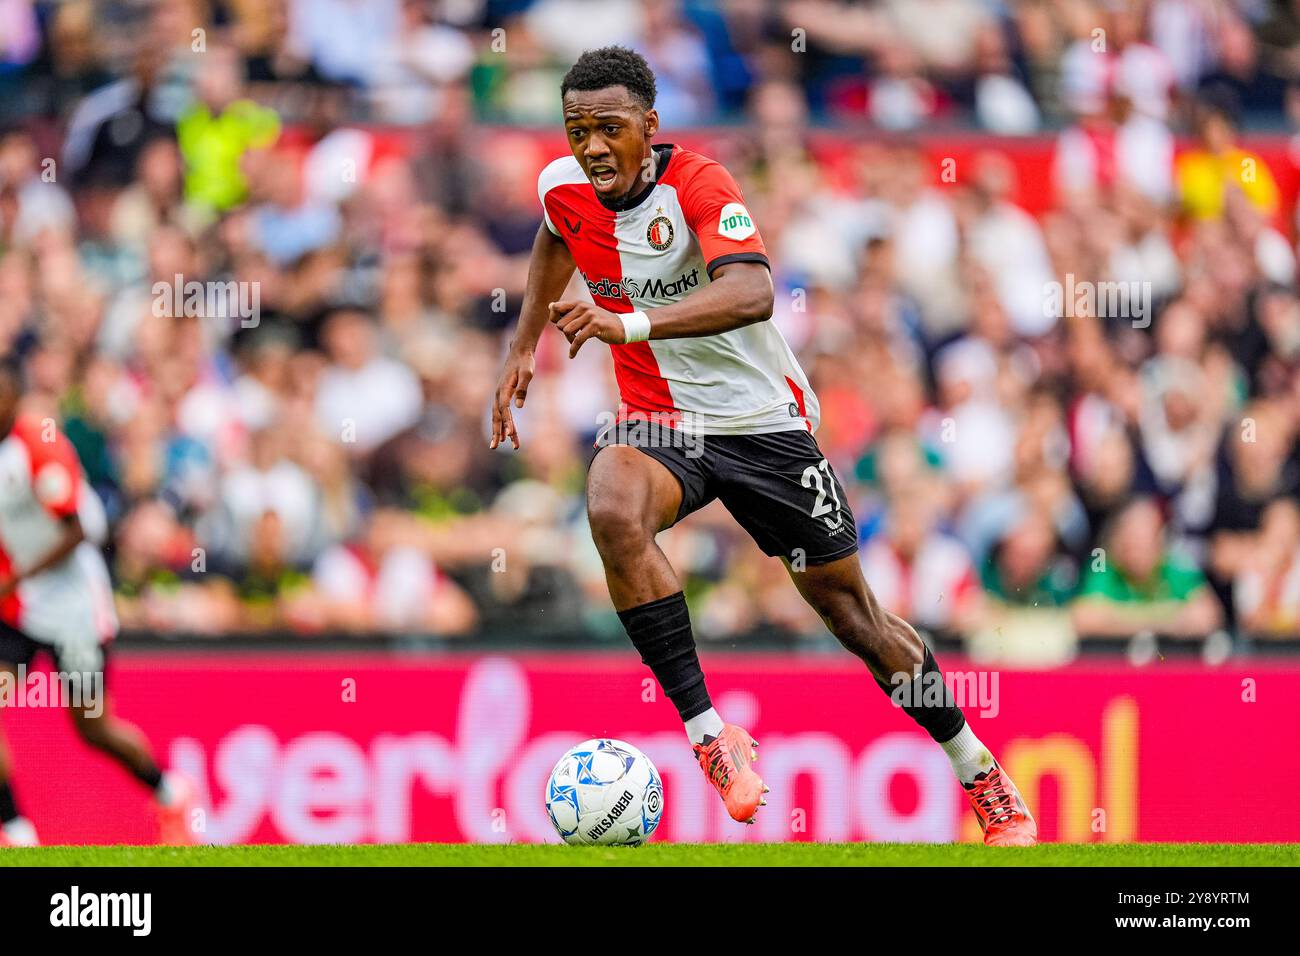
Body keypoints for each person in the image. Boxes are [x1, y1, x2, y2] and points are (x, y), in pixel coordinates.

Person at [489, 47, 1036, 845]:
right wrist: (519, 345)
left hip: (763, 428)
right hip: (661, 421)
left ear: (650, 125)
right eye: (578, 130)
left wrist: (628, 322)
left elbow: (752, 292)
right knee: (610, 503)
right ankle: (711, 736)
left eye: (610, 128)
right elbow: (554, 235)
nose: (593, 147)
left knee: (855, 618)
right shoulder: (564, 188)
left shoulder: (702, 186)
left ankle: (979, 773)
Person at [0, 366, 197, 847]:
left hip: (73, 611)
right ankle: (16, 832)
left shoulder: (38, 449)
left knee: (93, 727)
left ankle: (170, 792)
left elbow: (78, 531)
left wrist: (13, 579)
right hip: (17, 612)